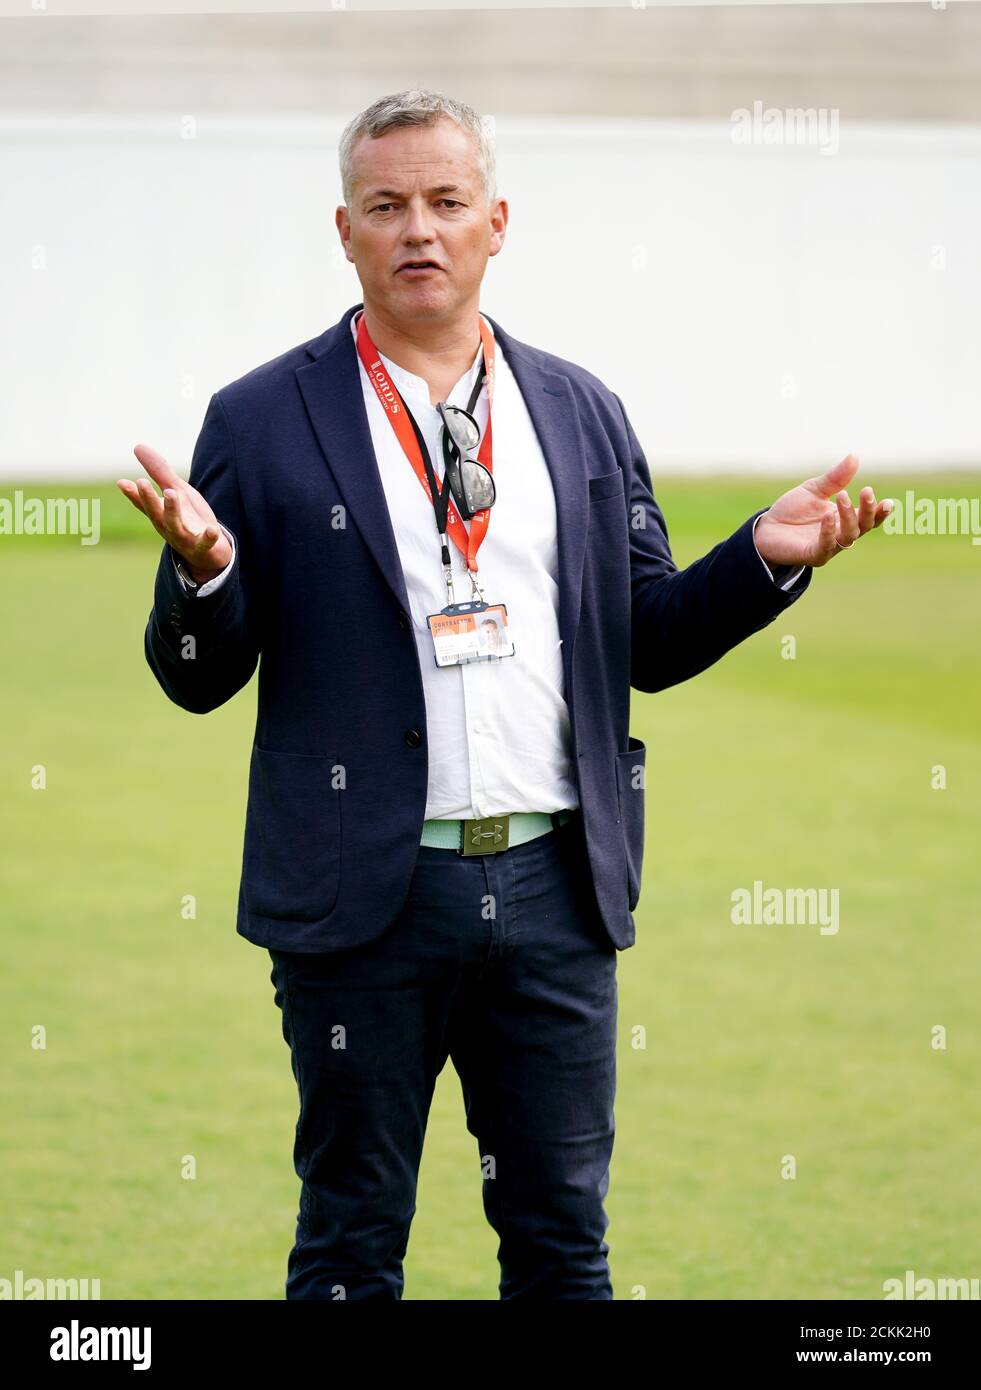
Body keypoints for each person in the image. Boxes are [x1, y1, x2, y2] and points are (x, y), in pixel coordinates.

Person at [117, 89, 892, 1301]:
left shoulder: (580, 411)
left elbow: (649, 641)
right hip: (359, 905)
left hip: (555, 896)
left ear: (497, 222)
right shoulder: (261, 420)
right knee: (349, 1244)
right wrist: (206, 574)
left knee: (561, 1248)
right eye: (387, 206)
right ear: (345, 230)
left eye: (445, 201)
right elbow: (197, 679)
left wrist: (758, 562)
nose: (417, 228)